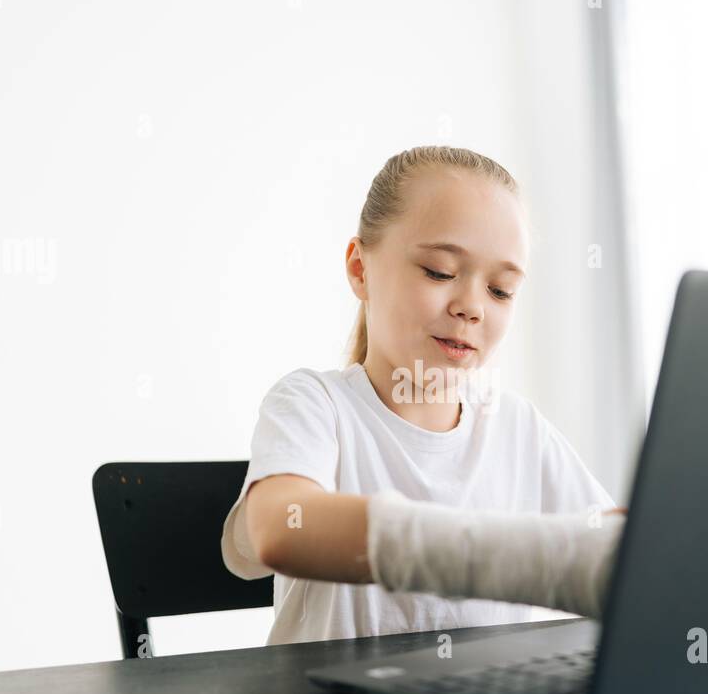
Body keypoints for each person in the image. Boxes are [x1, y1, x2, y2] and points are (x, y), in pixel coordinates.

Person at [221, 145, 626, 646]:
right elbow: (278, 529)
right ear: (360, 268)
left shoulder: (518, 427)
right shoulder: (314, 404)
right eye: (439, 272)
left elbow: (621, 556)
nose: (472, 307)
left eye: (500, 290)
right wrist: (503, 555)